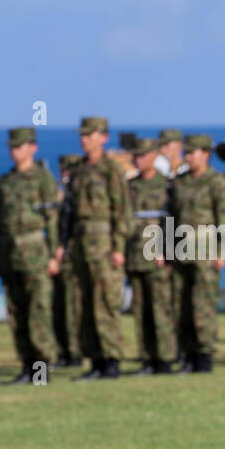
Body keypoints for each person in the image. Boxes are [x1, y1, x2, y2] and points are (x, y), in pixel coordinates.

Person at [0, 127, 61, 383]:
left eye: (20, 146)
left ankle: (42, 370)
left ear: (32, 148)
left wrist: (54, 253)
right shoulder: (5, 183)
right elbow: (0, 223)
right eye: (12, 147)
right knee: (17, 313)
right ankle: (27, 366)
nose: (15, 151)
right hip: (10, 255)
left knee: (39, 312)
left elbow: (52, 219)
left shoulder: (42, 179)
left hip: (36, 253)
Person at [67, 116, 130, 381]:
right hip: (81, 244)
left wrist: (119, 247)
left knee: (105, 303)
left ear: (103, 137)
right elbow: (69, 213)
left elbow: (122, 211)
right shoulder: (78, 170)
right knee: (83, 304)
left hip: (104, 244)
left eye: (90, 134)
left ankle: (111, 359)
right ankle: (94, 360)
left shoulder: (111, 170)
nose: (85, 139)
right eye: (82, 135)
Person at [169, 134, 225, 373]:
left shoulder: (216, 182)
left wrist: (221, 252)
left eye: (193, 152)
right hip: (181, 252)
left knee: (202, 306)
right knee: (182, 306)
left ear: (206, 154)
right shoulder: (179, 182)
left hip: (206, 253)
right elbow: (171, 218)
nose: (188, 156)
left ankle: (204, 356)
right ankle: (187, 355)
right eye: (186, 152)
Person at [125, 138, 175, 374]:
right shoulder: (129, 187)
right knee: (141, 311)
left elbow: (174, 221)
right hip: (134, 256)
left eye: (143, 155)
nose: (139, 160)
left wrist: (168, 252)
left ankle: (165, 359)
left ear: (154, 156)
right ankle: (147, 359)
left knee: (161, 310)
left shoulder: (166, 186)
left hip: (158, 257)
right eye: (136, 156)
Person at [52, 155, 82, 367]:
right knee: (58, 306)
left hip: (73, 256)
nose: (65, 174)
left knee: (73, 307)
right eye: (63, 170)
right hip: (58, 256)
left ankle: (75, 352)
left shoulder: (78, 197)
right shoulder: (59, 195)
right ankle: (63, 351)